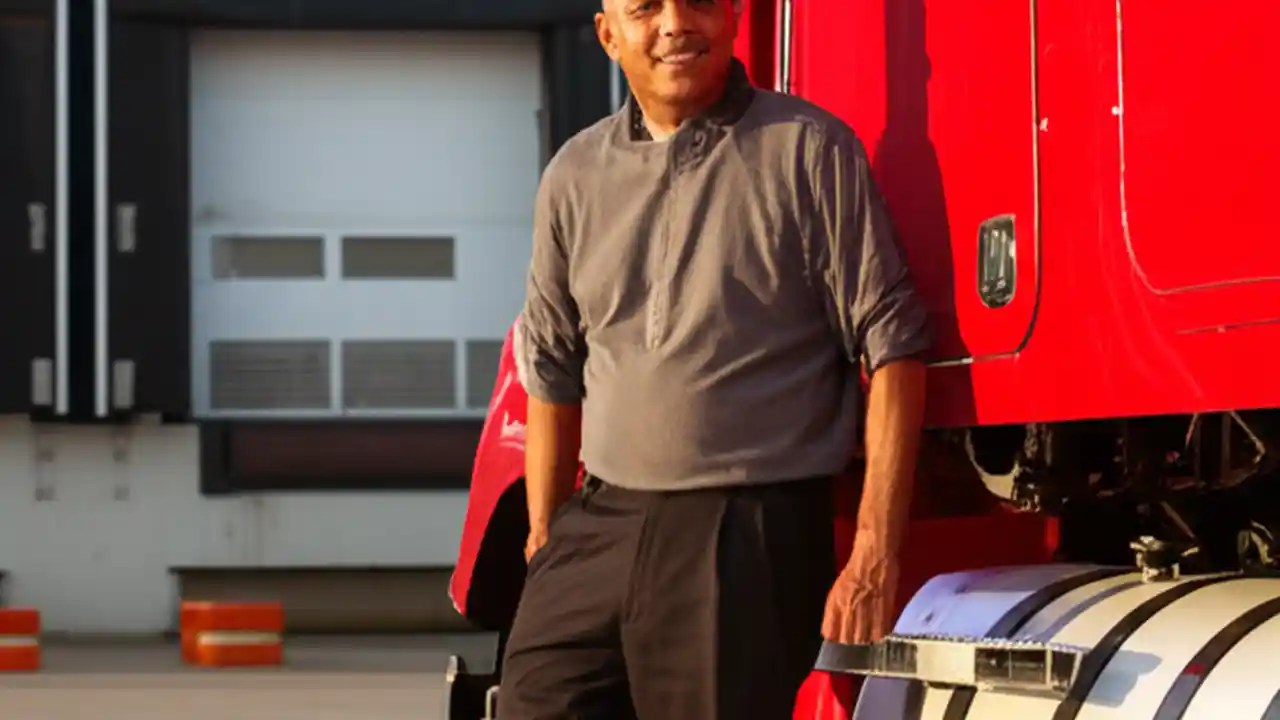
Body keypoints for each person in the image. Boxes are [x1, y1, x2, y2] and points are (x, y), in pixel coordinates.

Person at [498, 0, 931, 717]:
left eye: (698, 1)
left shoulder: (808, 149)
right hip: (599, 525)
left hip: (741, 534)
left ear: (732, 18)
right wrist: (547, 538)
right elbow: (550, 363)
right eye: (644, 9)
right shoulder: (573, 173)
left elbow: (895, 346)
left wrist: (874, 552)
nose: (675, 24)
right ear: (608, 35)